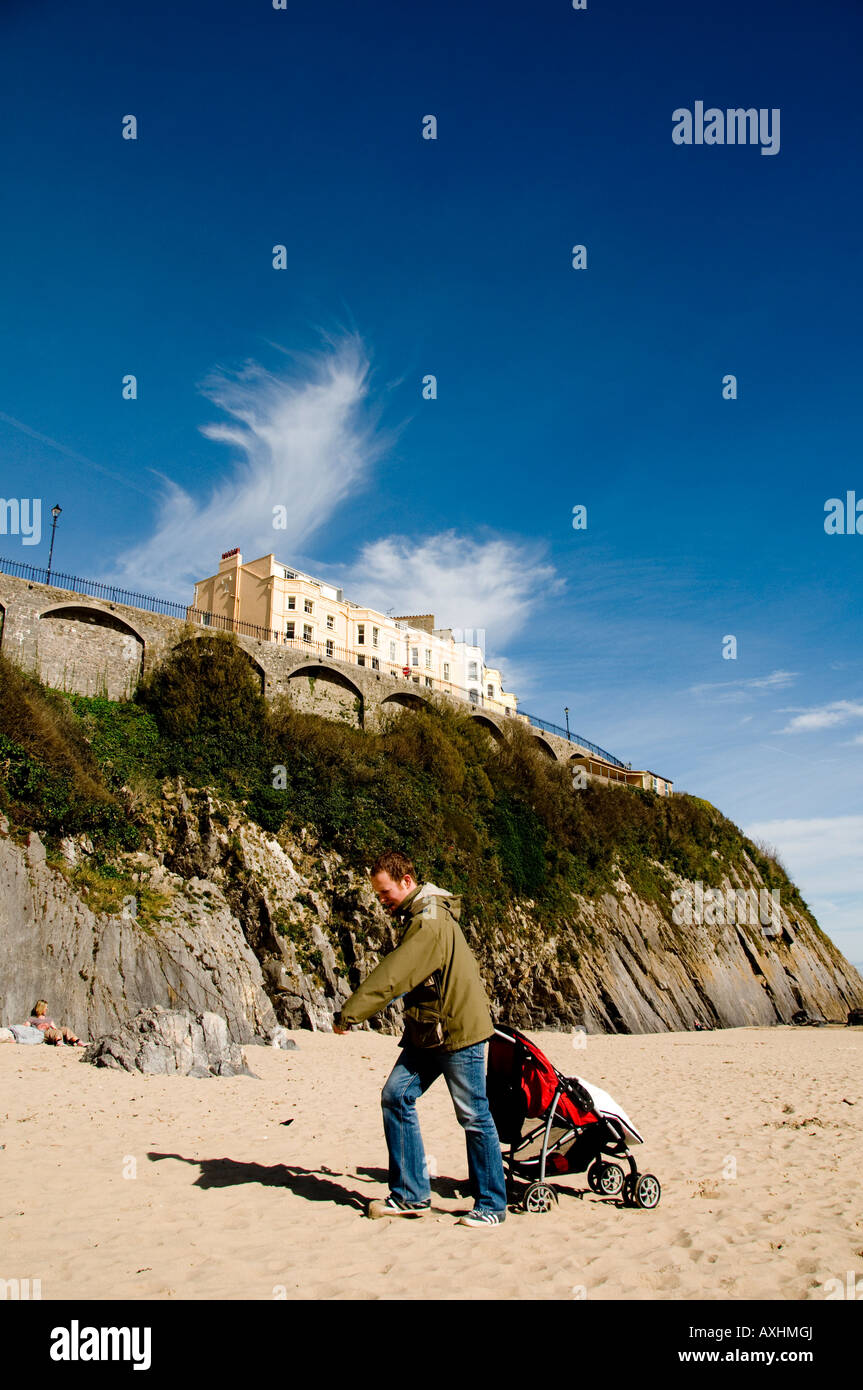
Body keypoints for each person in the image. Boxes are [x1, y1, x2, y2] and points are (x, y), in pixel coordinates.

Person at [333, 850, 507, 1227]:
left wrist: (351, 1013)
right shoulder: (419, 915)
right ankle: (411, 1195)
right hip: (429, 1032)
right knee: (396, 1096)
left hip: (458, 1031)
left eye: (385, 892)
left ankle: (492, 1205)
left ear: (407, 882)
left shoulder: (429, 920)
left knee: (474, 1116)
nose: (382, 900)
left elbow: (396, 974)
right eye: (378, 894)